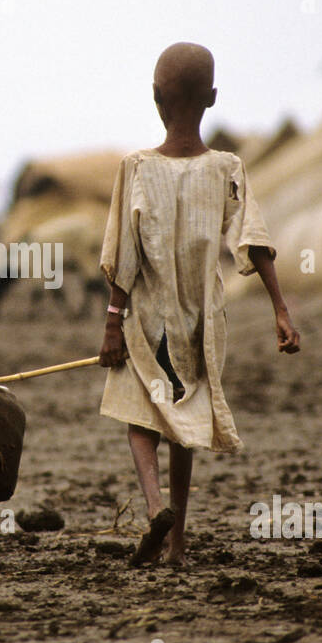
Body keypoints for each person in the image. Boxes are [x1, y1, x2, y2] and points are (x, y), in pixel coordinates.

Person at [98, 43, 300, 567]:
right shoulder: (226, 167)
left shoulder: (137, 168)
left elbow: (123, 256)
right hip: (201, 322)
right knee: (184, 424)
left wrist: (112, 324)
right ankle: (179, 544)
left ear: (156, 99)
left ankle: (154, 507)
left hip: (147, 321)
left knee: (141, 417)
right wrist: (281, 309)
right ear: (212, 98)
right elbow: (253, 242)